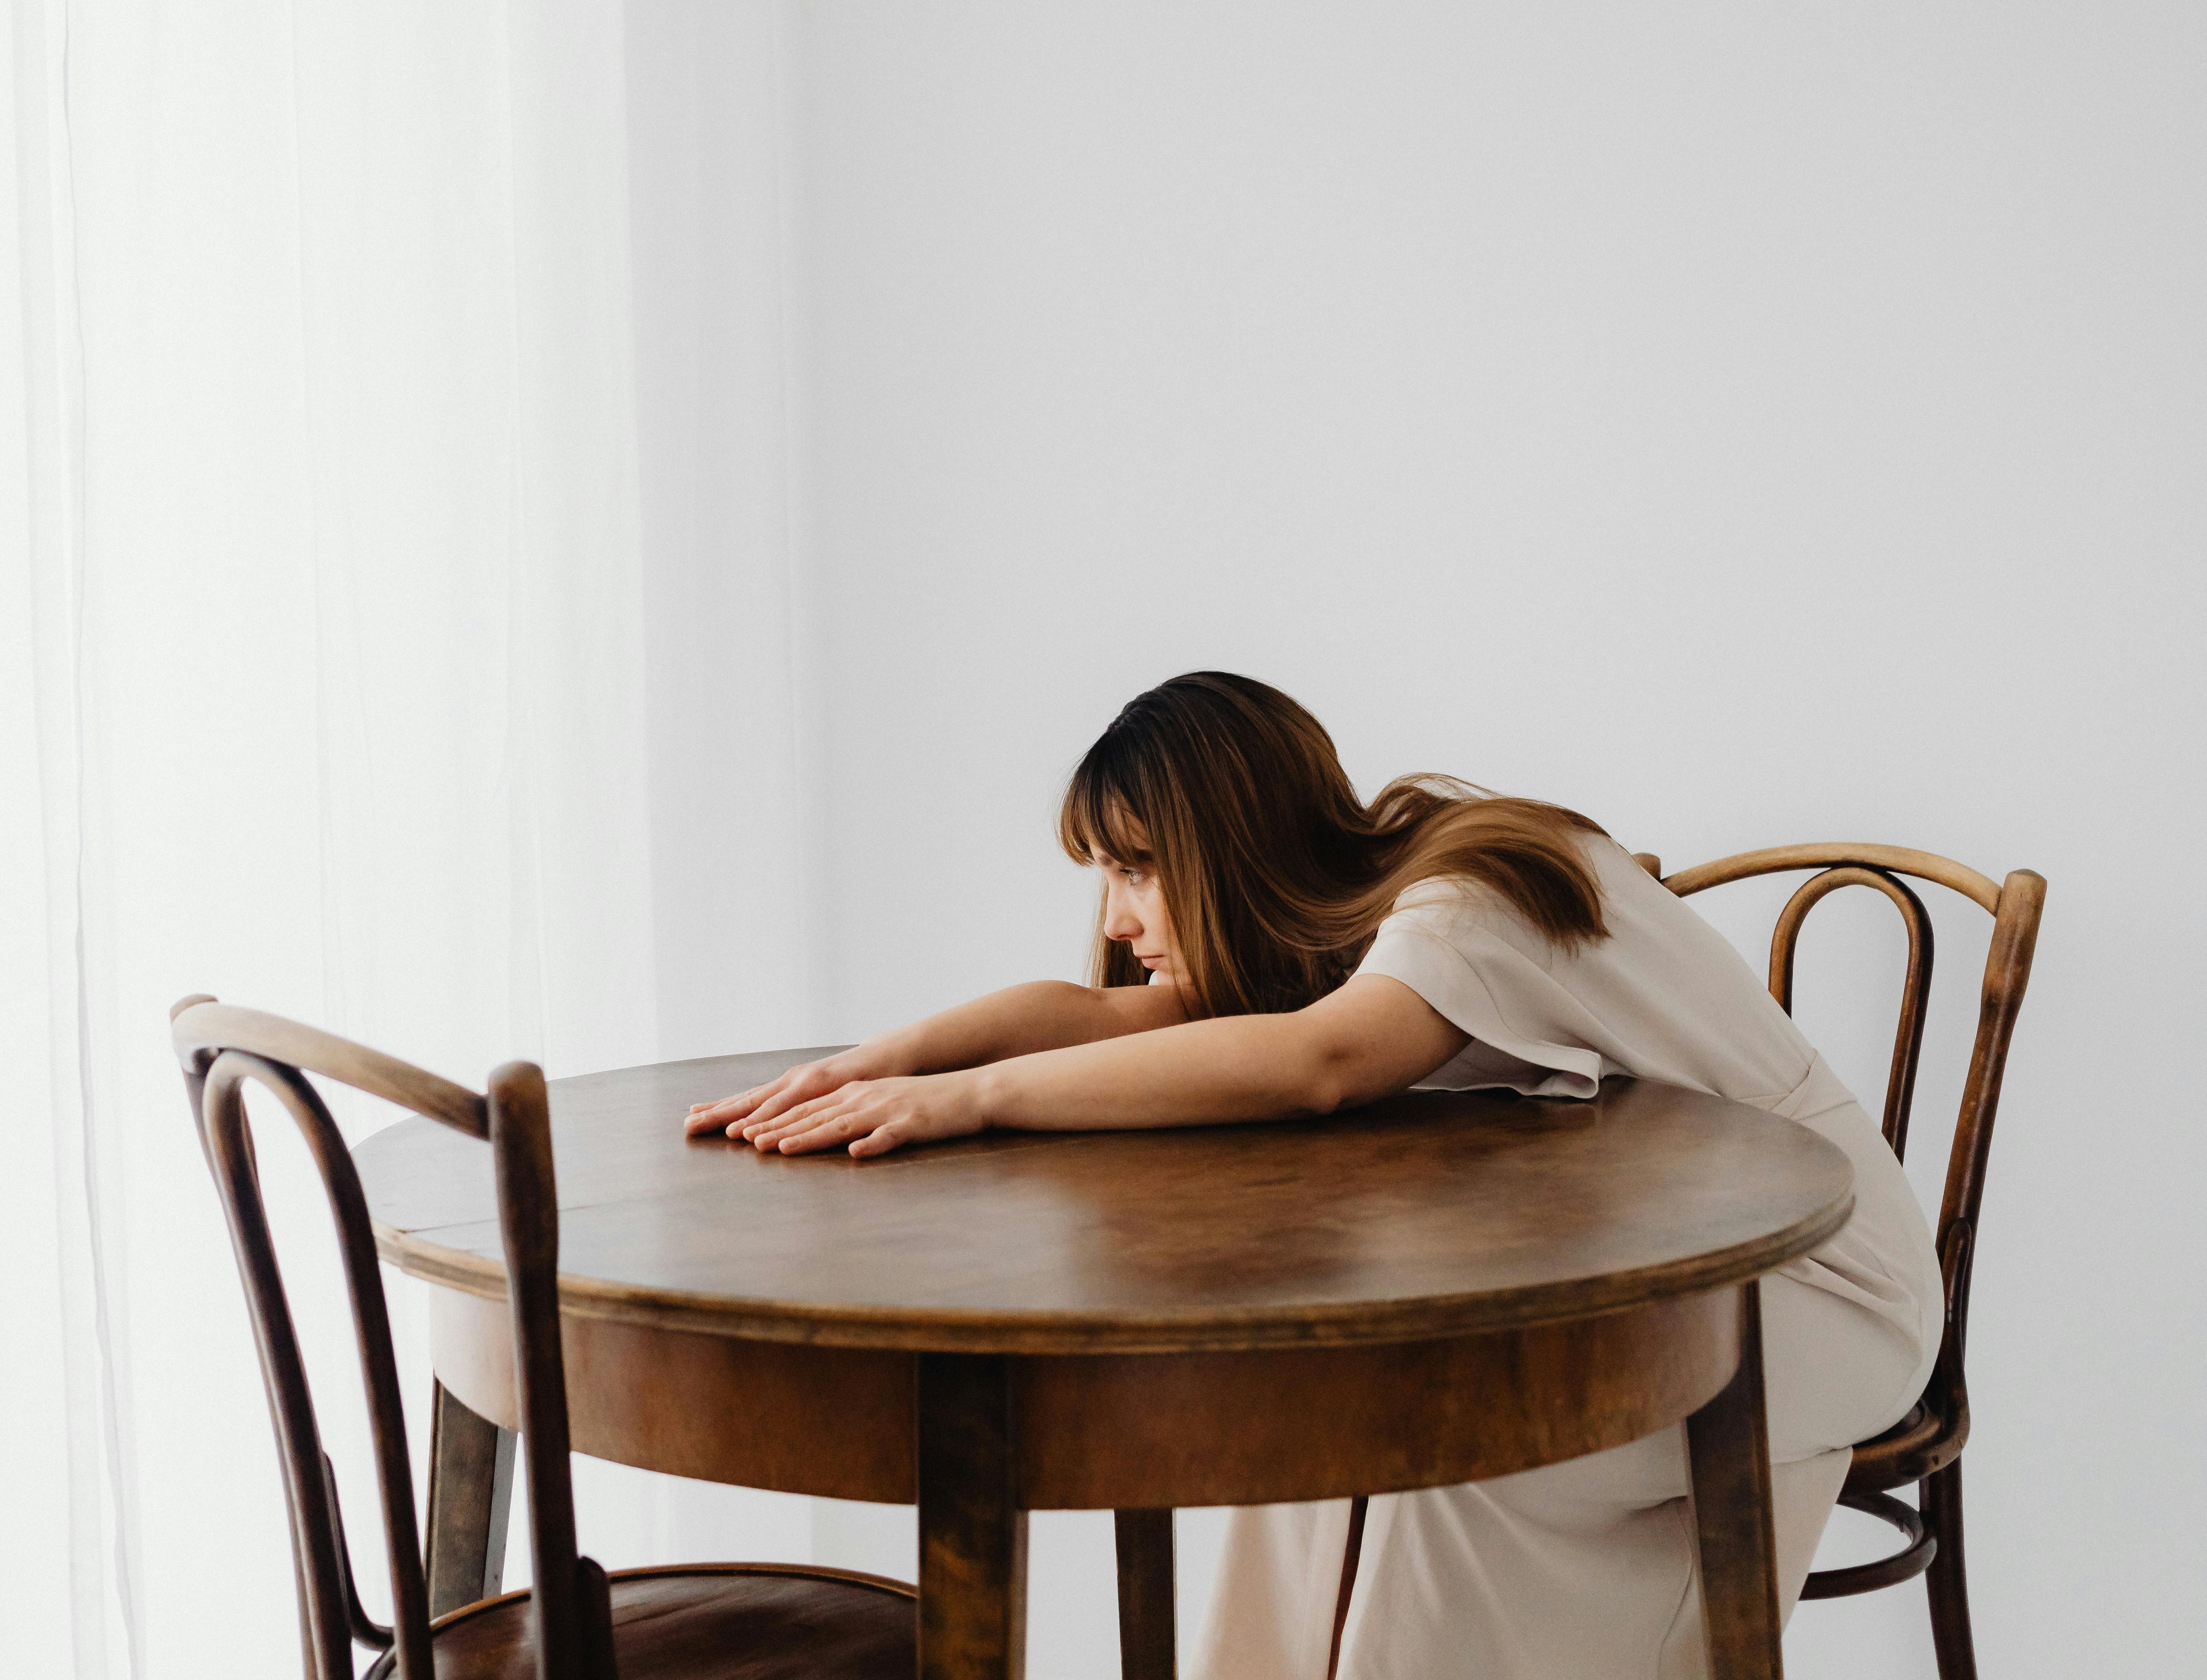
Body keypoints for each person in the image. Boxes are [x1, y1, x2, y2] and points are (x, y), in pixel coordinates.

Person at [684, 670, 1941, 1680]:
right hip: (1657, 1267)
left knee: (1451, 1444)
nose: (1121, 920)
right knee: (1310, 1429)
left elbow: (1322, 1064)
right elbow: (1107, 1014)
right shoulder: (1342, 924)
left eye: (1135, 869)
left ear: (1225, 845)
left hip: (1814, 1277)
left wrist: (966, 1099)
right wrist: (873, 1065)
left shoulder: (1466, 894)